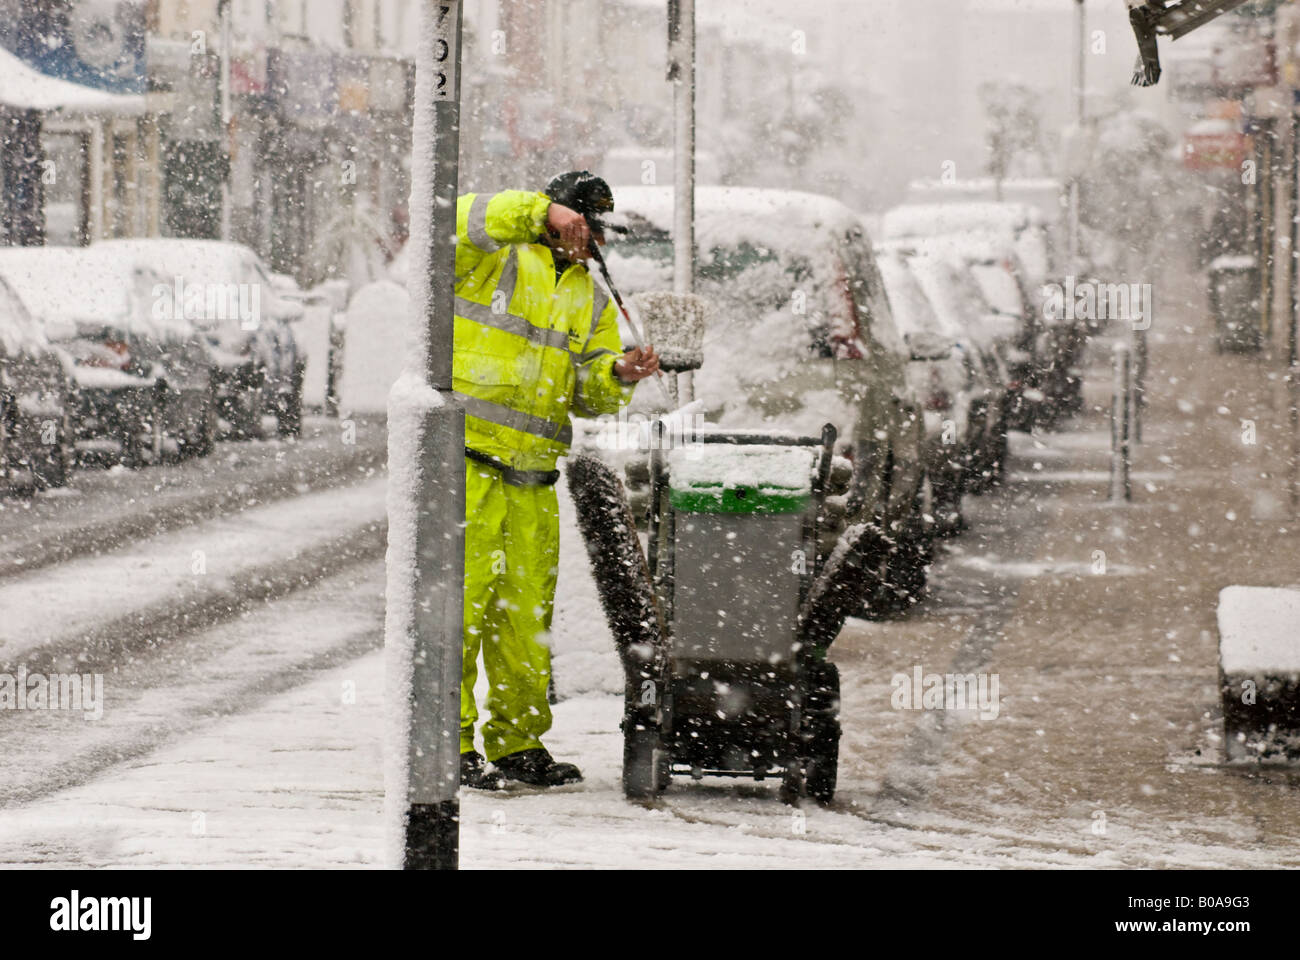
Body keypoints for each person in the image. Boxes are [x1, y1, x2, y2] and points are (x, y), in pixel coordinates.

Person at [454, 171, 660, 789]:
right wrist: (538, 212)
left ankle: (518, 744)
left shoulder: (591, 296)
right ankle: (446, 746)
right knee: (458, 612)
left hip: (533, 476)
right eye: (588, 227)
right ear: (563, 219)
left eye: (599, 232)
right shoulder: (493, 256)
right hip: (464, 465)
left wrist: (619, 373)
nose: (595, 241)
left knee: (523, 622)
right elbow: (461, 216)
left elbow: (588, 392)